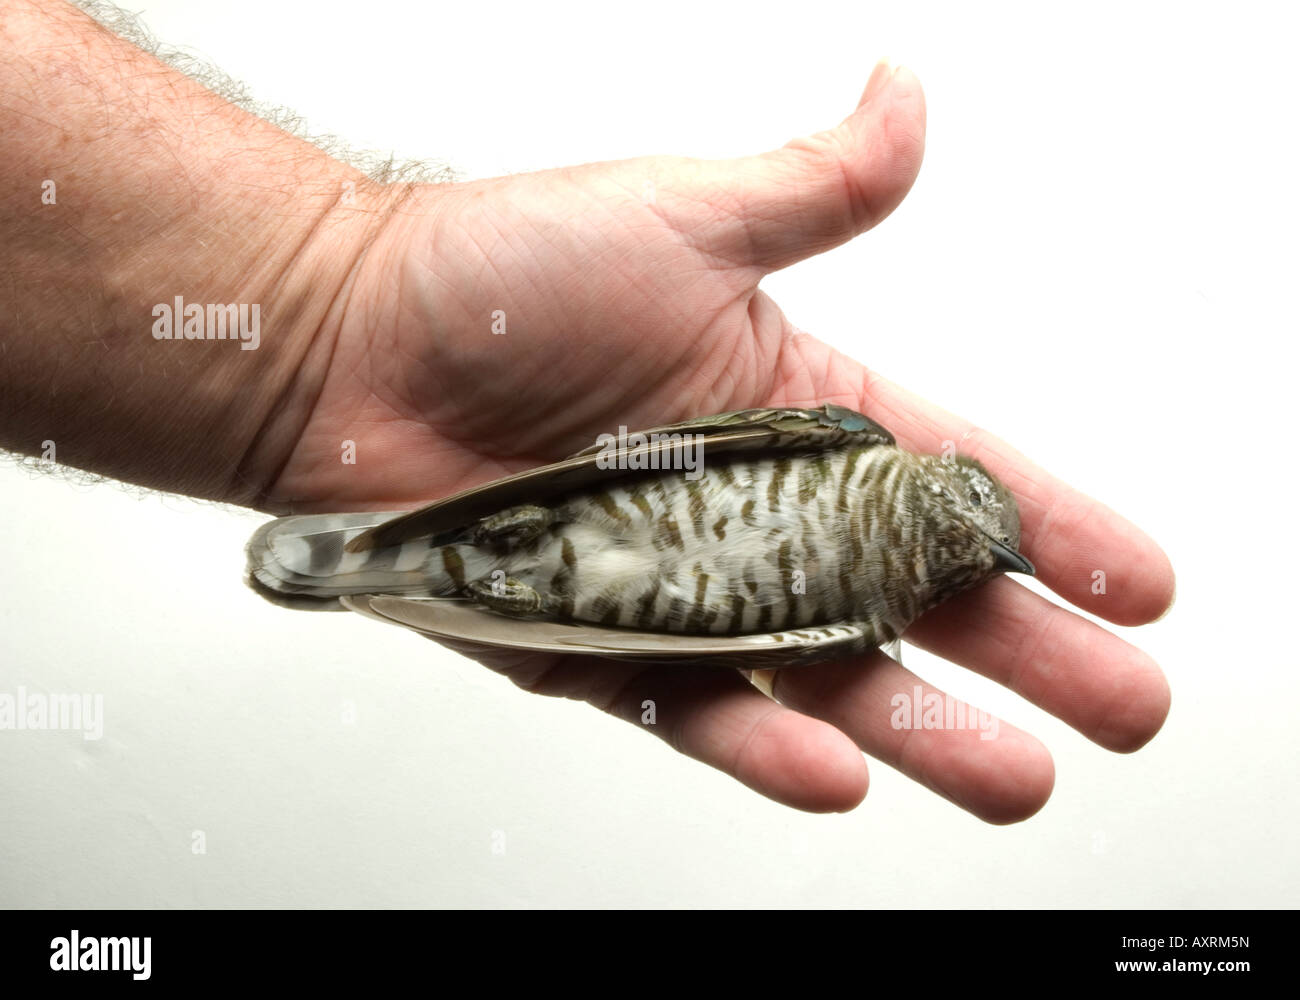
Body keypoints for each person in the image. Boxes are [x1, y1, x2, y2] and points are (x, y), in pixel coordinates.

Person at [0, 1, 1173, 820]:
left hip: (654, 591)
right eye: (978, 520)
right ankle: (390, 560)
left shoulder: (878, 598)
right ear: (936, 482)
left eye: (980, 543)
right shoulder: (855, 448)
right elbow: (721, 446)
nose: (978, 544)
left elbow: (757, 627)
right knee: (505, 553)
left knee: (517, 571)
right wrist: (331, 315)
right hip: (637, 526)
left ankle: (387, 565)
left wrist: (322, 319)